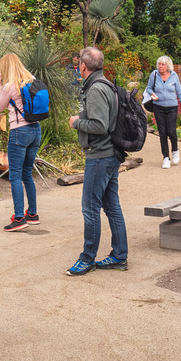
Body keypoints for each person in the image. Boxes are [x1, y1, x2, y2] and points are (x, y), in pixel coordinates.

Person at [66, 46, 127, 275]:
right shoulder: (104, 84)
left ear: (83, 66)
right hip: (108, 154)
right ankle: (119, 256)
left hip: (100, 156)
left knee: (90, 208)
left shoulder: (96, 89)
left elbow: (99, 125)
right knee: (112, 207)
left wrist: (76, 122)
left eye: (78, 64)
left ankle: (87, 258)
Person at [0, 53, 43, 232]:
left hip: (19, 132)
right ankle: (33, 214)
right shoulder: (32, 80)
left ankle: (19, 218)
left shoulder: (9, 86)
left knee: (15, 175)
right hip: (36, 130)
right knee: (27, 173)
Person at [144, 56, 181, 169]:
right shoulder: (154, 74)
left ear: (168, 66)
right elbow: (148, 88)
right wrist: (153, 94)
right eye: (159, 64)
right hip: (158, 107)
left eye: (163, 64)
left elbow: (180, 92)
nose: (160, 66)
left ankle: (175, 150)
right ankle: (166, 158)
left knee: (171, 132)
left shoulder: (174, 75)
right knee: (162, 133)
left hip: (172, 107)